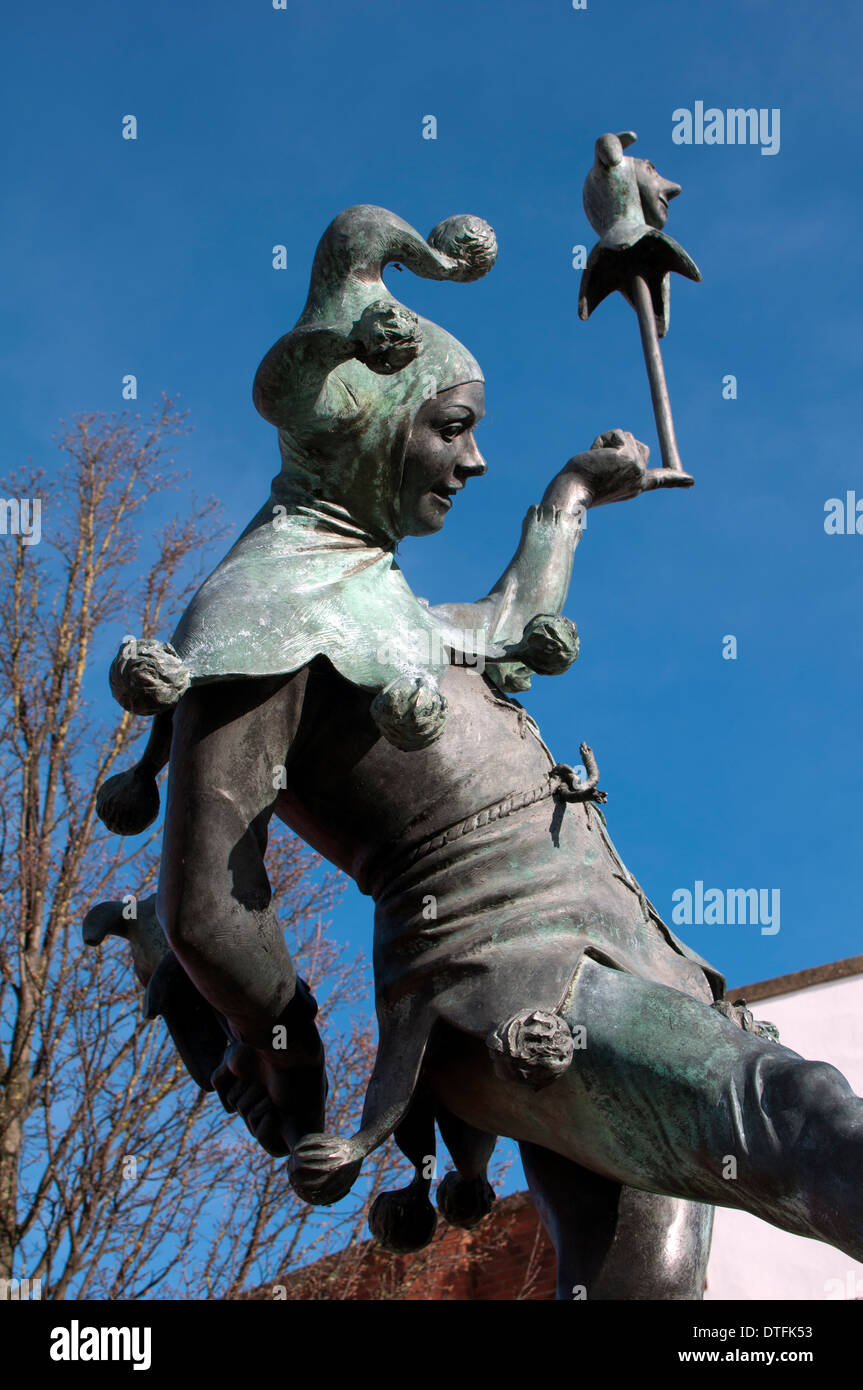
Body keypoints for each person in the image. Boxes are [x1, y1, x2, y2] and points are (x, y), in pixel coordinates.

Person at [94, 205, 863, 1298]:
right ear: (374, 424)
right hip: (505, 979)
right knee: (795, 1111)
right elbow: (210, 901)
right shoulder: (256, 613)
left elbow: (503, 622)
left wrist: (571, 494)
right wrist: (287, 1046)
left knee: (647, 1277)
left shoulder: (381, 602)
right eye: (451, 426)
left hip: (603, 952)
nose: (473, 456)